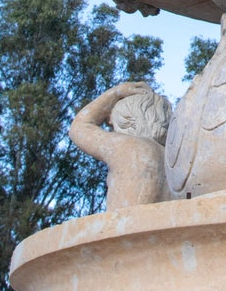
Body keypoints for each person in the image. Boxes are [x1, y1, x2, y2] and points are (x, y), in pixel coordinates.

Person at [69, 81, 173, 210]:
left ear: (127, 121)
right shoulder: (174, 160)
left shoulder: (130, 146)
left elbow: (79, 127)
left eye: (112, 125)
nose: (111, 129)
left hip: (125, 226)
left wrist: (116, 92)